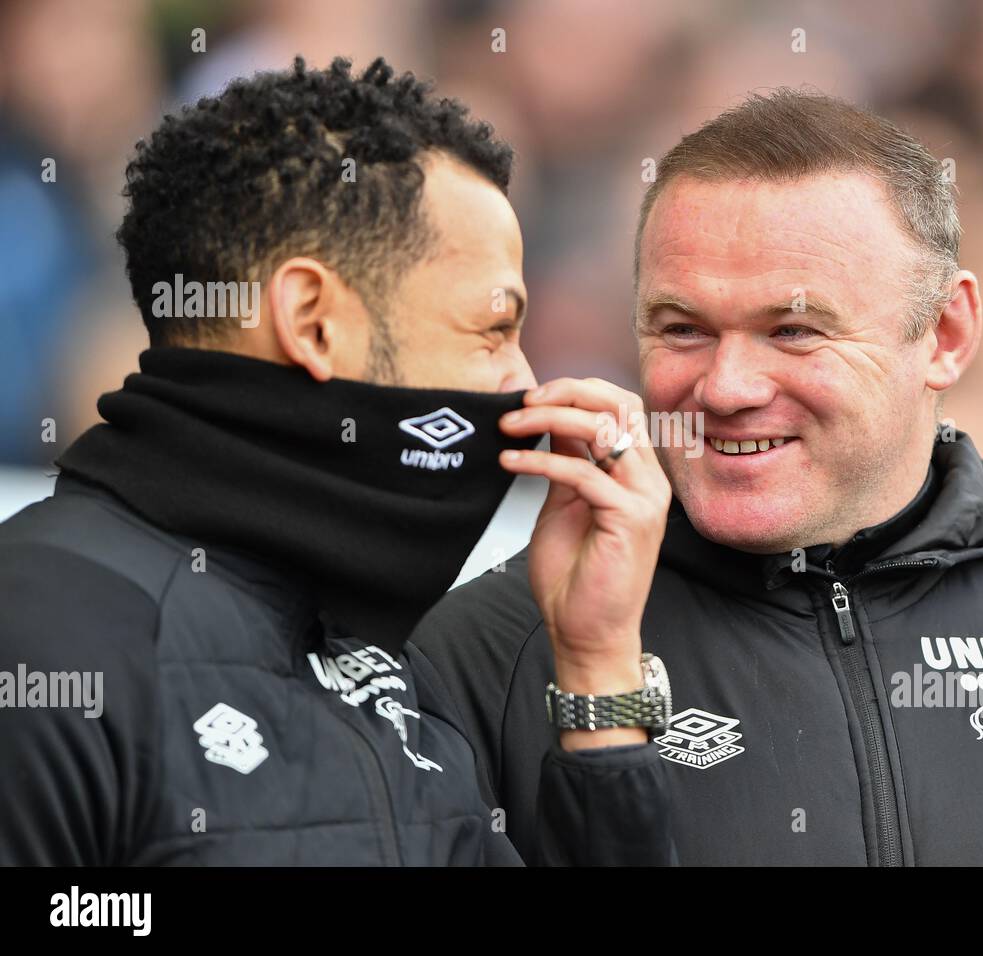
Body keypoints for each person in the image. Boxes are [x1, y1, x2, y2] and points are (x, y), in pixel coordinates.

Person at [412, 90, 983, 865]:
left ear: (945, 335)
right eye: (681, 327)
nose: (725, 387)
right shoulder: (478, 658)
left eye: (794, 332)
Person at [0, 57, 674, 866]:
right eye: (493, 328)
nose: (525, 385)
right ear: (313, 322)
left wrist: (599, 669)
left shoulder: (389, 661)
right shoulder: (43, 628)